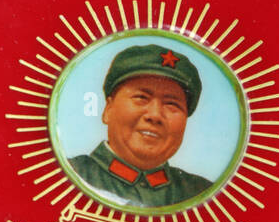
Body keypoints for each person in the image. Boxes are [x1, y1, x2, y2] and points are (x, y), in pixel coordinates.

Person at [68, 44, 213, 208]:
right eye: (141, 97)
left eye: (172, 104)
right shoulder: (69, 175)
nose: (155, 115)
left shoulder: (204, 195)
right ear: (108, 109)